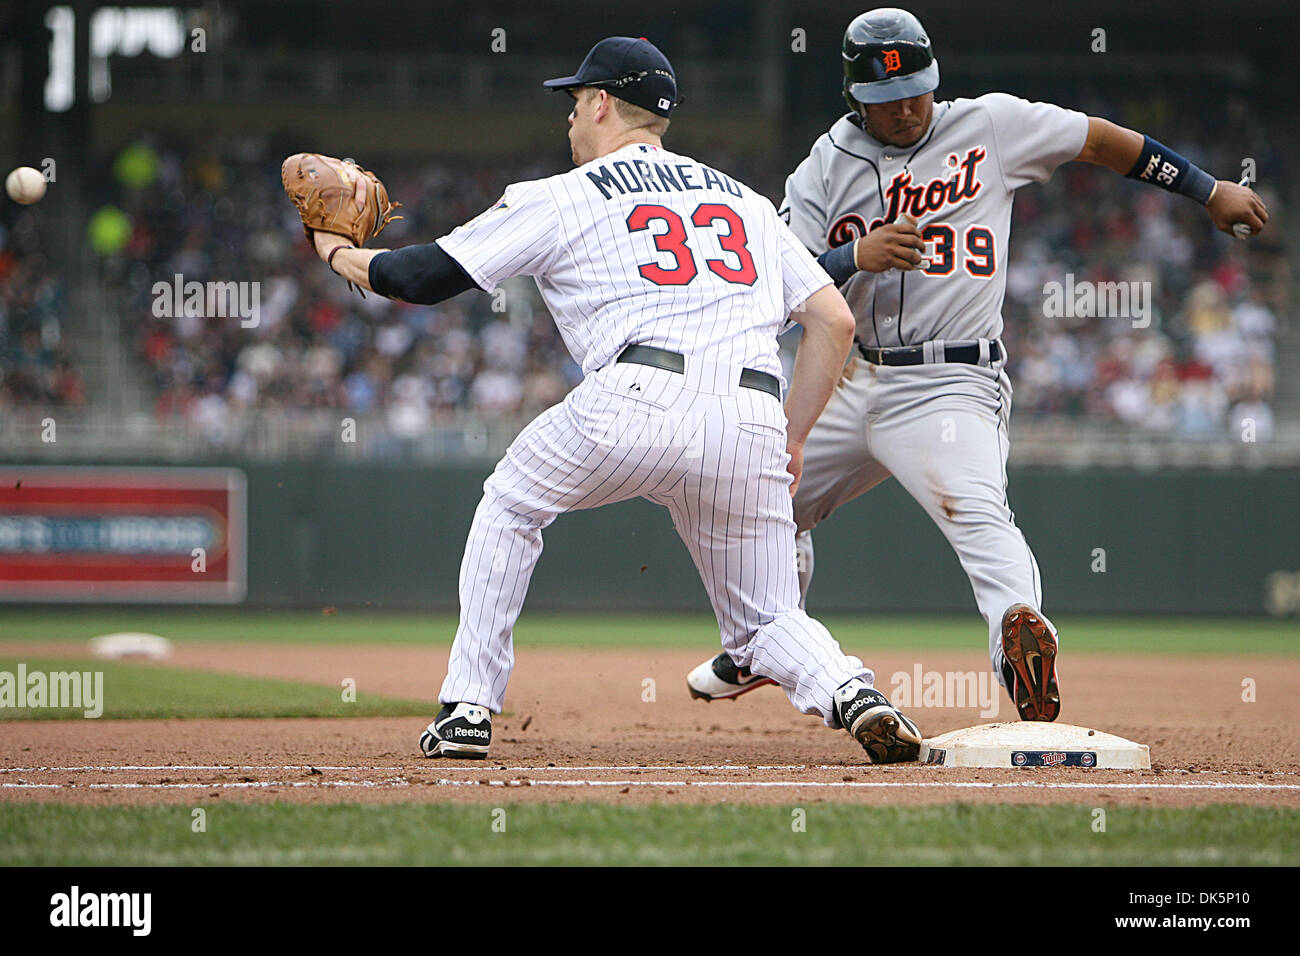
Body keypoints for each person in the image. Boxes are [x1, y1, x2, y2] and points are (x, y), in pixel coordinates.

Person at [308, 37, 924, 763]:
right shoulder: (745, 202)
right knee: (765, 622)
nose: (570, 121)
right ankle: (853, 692)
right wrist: (790, 439)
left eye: (574, 103)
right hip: (751, 413)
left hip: (636, 396)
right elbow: (834, 321)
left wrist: (331, 249)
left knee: (512, 501)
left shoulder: (560, 196)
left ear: (601, 103)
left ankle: (468, 708)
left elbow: (420, 278)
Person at [684, 8, 1269, 722]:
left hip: (948, 381)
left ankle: (1019, 636)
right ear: (852, 96)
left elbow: (1100, 140)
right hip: (848, 376)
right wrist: (850, 258)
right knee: (760, 502)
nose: (905, 108)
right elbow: (769, 281)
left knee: (978, 513)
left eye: (917, 92)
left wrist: (1207, 190)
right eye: (885, 99)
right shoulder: (823, 167)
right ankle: (766, 643)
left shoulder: (990, 125)